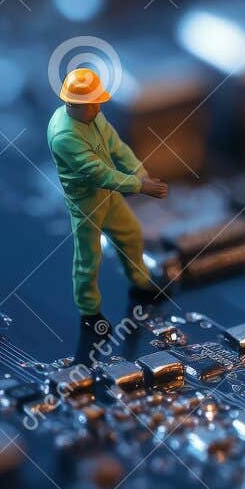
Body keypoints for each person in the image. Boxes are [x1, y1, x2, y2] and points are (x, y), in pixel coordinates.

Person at [46, 68, 168, 331]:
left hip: (109, 195)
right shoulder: (64, 136)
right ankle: (89, 310)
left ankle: (141, 280)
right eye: (92, 104)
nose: (98, 108)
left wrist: (140, 173)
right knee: (89, 258)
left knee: (132, 234)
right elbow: (98, 173)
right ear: (72, 104)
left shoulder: (95, 118)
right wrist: (139, 186)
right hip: (86, 203)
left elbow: (118, 148)